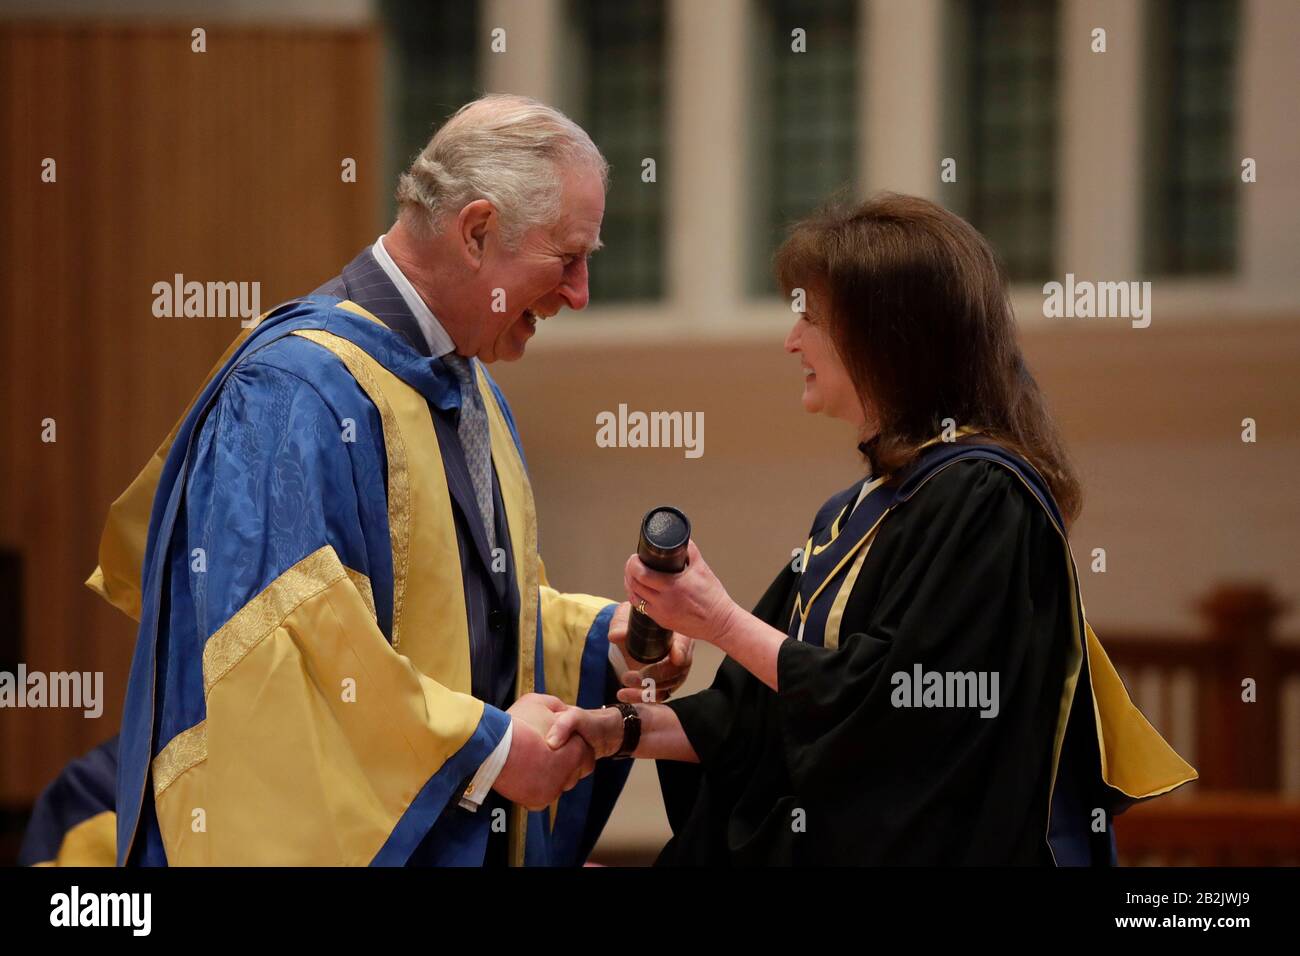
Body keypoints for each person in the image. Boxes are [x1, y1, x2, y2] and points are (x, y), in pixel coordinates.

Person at [86, 94, 691, 866]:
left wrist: (598, 640)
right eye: (567, 259)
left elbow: (457, 616)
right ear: (476, 232)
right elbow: (291, 666)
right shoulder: (292, 393)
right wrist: (491, 750)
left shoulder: (471, 388)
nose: (579, 294)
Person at [547, 194, 1197, 865]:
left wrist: (716, 618)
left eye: (810, 318)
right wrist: (618, 730)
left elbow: (895, 711)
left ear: (886, 337)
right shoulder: (854, 512)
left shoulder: (984, 498)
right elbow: (760, 716)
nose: (790, 339)